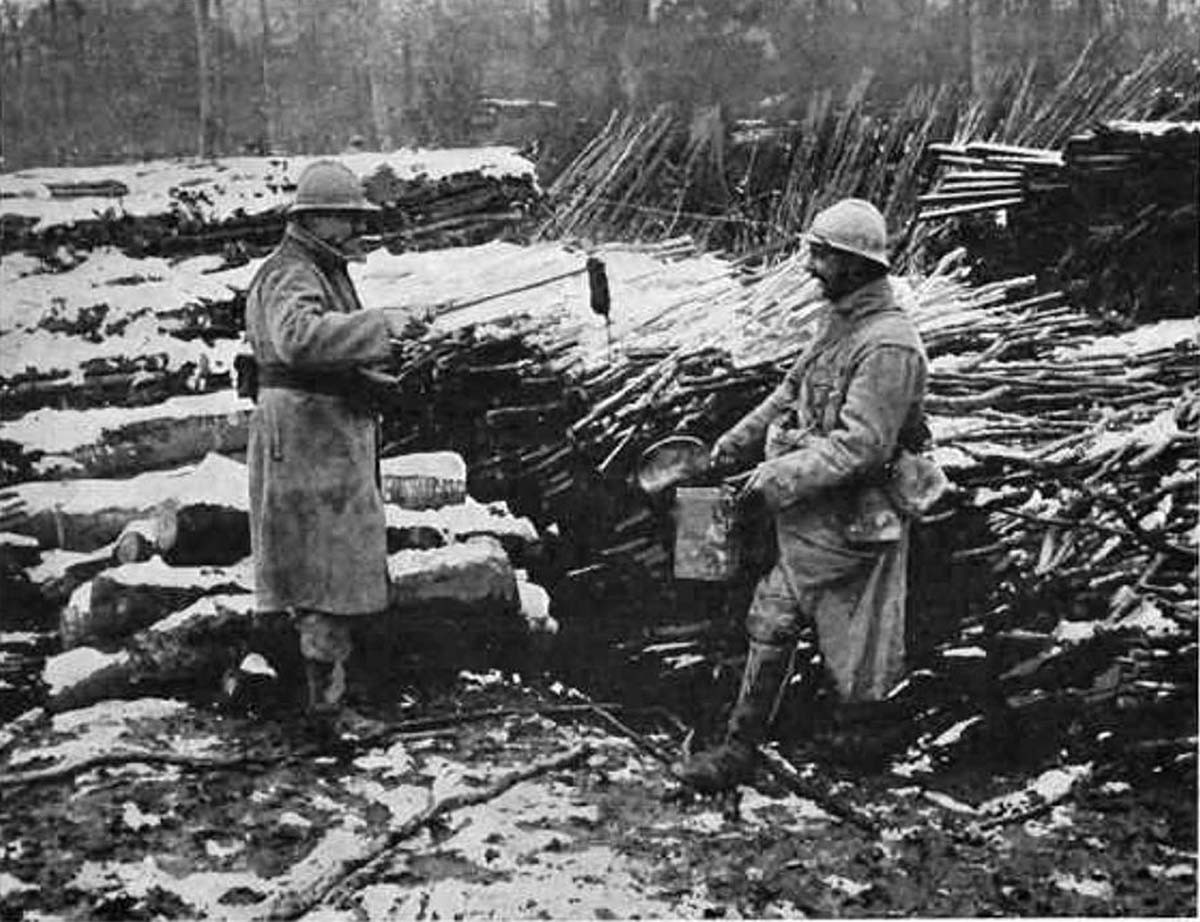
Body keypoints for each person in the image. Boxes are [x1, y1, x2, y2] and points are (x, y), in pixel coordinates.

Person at [676, 198, 930, 792]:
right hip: (814, 517)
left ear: (854, 264)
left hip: (854, 524)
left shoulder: (888, 346)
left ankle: (842, 751)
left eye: (821, 255)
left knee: (853, 649)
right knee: (777, 620)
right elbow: (788, 394)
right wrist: (727, 447)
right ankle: (743, 747)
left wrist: (771, 477)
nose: (811, 266)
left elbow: (861, 447)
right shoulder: (840, 325)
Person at [244, 159, 424, 728]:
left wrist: (377, 376)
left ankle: (326, 698)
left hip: (320, 432)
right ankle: (326, 711)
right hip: (305, 437)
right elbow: (297, 340)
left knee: (327, 570)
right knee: (320, 574)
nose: (356, 228)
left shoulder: (320, 266)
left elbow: (323, 352)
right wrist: (381, 325)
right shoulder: (292, 270)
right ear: (316, 218)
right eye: (346, 218)